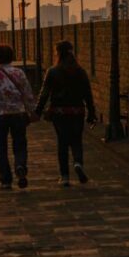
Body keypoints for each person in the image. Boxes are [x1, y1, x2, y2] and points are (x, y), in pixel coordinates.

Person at [35, 41, 97, 187]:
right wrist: (91, 113)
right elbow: (88, 94)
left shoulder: (52, 71)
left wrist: (37, 111)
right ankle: (77, 163)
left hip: (59, 112)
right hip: (77, 111)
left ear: (58, 53)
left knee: (62, 142)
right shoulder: (80, 71)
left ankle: (64, 176)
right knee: (76, 140)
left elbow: (44, 94)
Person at [0, 44, 35, 189]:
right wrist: (32, 111)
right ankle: (20, 165)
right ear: (12, 57)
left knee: (0, 148)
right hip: (18, 114)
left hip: (0, 116)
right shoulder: (19, 73)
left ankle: (5, 180)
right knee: (20, 144)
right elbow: (28, 94)